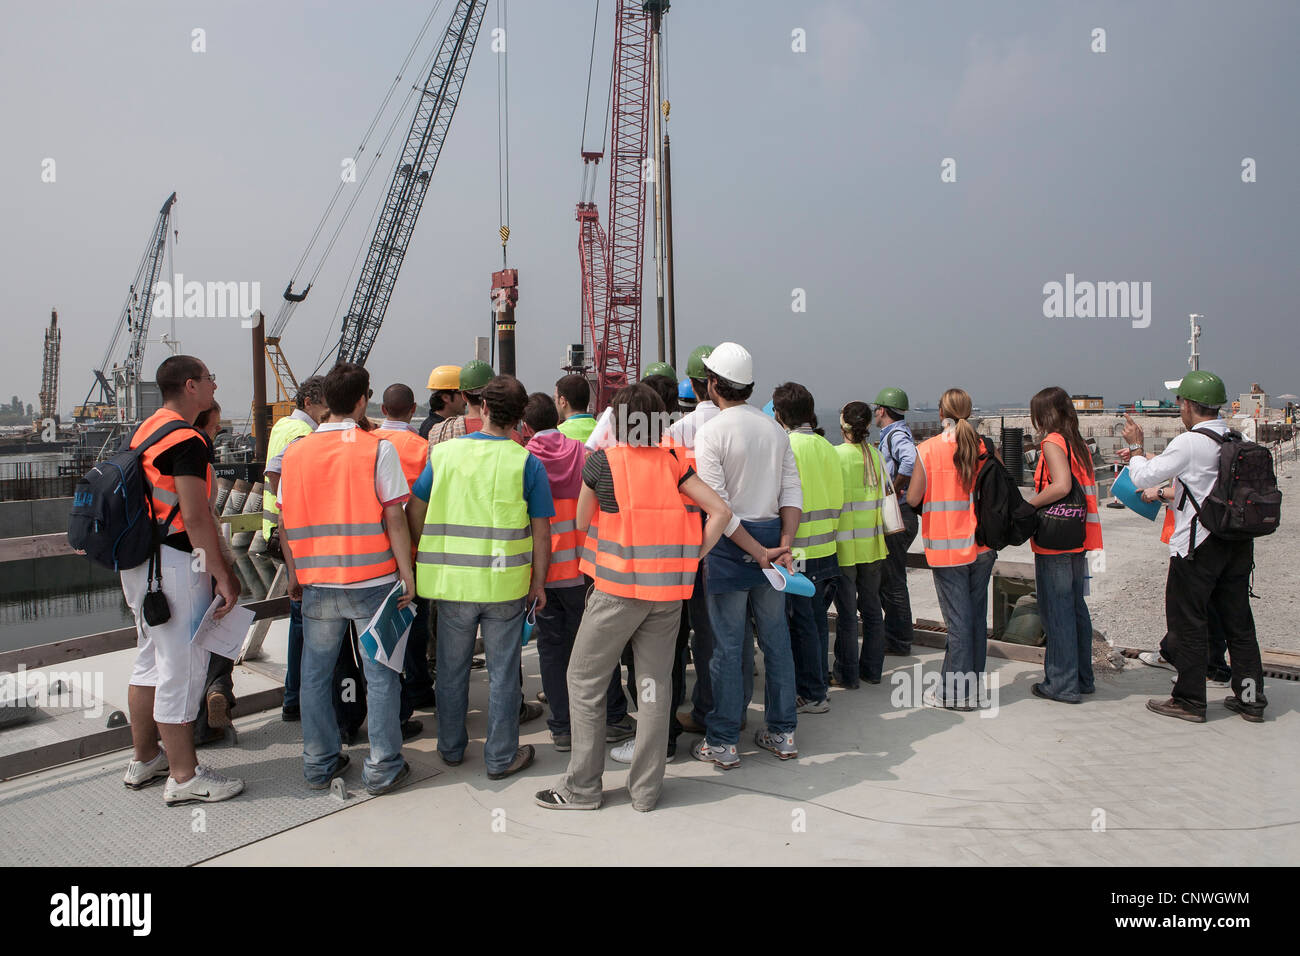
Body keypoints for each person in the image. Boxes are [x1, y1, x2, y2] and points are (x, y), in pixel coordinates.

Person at [535, 384, 734, 811]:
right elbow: (721, 512)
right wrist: (693, 554)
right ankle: (645, 791)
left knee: (585, 681)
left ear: (618, 421)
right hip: (668, 598)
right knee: (654, 689)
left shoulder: (602, 463)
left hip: (616, 592)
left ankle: (582, 789)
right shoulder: (674, 464)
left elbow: (581, 520)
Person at [279, 363, 416, 795]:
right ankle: (382, 766)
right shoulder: (377, 449)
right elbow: (394, 516)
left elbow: (284, 522)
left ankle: (319, 763)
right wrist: (407, 575)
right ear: (361, 401)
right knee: (380, 675)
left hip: (317, 582)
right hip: (373, 579)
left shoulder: (295, 453)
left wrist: (295, 573)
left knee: (315, 675)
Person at [407, 375, 552, 778]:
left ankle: (451, 748)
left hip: (452, 584)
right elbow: (542, 532)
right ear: (521, 417)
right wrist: (538, 582)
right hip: (505, 586)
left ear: (482, 408)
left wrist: (426, 546)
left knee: (452, 668)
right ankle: (501, 756)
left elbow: (414, 511)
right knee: (504, 671)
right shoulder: (527, 463)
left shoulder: (444, 454)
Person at [120, 355, 245, 805]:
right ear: (191, 385)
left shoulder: (147, 428)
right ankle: (185, 777)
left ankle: (145, 759)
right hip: (174, 564)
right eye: (210, 378)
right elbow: (194, 516)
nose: (214, 385)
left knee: (150, 660)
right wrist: (223, 575)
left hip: (139, 564)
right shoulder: (187, 439)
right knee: (183, 667)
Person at [1119, 370, 1268, 723]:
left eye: (1179, 403)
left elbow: (1142, 477)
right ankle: (1250, 699)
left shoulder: (1190, 442)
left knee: (1188, 622)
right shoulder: (1238, 436)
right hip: (1237, 542)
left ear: (1188, 405)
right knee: (1239, 624)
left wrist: (1138, 447)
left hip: (1198, 544)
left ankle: (1189, 700)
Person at [690, 342, 800, 768]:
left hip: (731, 546)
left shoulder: (712, 432)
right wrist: (783, 545)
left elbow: (719, 509)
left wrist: (758, 552)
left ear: (714, 384)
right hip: (773, 539)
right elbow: (792, 491)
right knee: (776, 641)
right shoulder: (774, 429)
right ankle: (782, 732)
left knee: (726, 646)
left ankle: (722, 740)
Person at [523, 393, 632, 750]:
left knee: (552, 650)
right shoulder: (582, 453)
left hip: (544, 573)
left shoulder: (525, 460)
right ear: (557, 417)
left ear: (525, 426)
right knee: (601, 645)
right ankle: (614, 716)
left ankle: (563, 728)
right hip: (587, 567)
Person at [905, 388, 995, 710]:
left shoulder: (927, 450)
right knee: (974, 621)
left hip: (948, 549)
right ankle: (972, 688)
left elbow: (914, 498)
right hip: (982, 546)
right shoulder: (984, 446)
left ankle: (954, 694)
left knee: (958, 624)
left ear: (941, 412)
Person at [1021, 386, 1103, 704]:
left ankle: (1061, 684)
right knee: (1075, 608)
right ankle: (1082, 678)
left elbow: (1061, 485)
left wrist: (1029, 505)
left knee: (1057, 612)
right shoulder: (1077, 443)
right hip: (1078, 535)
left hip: (1056, 539)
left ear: (1044, 414)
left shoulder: (1053, 441)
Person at [772, 383, 844, 715]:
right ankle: (819, 687)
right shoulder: (829, 447)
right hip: (828, 549)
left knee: (800, 625)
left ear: (780, 414)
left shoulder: (786, 447)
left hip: (798, 553)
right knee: (815, 623)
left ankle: (813, 693)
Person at [261, 375, 327, 722]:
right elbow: (278, 477)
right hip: (293, 534)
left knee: (300, 617)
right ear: (309, 402)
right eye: (324, 404)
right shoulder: (300, 433)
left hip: (281, 530)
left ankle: (295, 697)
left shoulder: (284, 425)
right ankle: (296, 699)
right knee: (303, 619)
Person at [665, 346, 723, 736]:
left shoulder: (676, 432)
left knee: (674, 632)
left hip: (683, 545)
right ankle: (715, 709)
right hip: (728, 541)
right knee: (717, 634)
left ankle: (688, 703)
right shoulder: (739, 424)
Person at [373, 384, 436, 727]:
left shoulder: (372, 444)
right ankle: (419, 687)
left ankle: (392, 698)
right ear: (413, 409)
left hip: (375, 552)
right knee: (415, 626)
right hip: (413, 551)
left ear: (382, 409)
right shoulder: (422, 447)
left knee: (383, 633)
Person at [1136, 484, 1232, 687]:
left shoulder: (1200, 452)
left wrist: (1159, 492)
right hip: (1203, 533)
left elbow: (1201, 486)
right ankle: (1172, 653)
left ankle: (1212, 669)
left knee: (1194, 607)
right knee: (1202, 605)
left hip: (1198, 538)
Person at [192, 400, 240, 746]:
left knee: (179, 649)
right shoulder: (199, 465)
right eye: (213, 428)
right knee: (219, 630)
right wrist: (224, 570)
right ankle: (218, 690)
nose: (214, 435)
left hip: (161, 564)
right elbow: (204, 519)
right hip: (199, 563)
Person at [831, 402, 889, 686]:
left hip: (844, 546)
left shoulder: (835, 456)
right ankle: (872, 670)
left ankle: (847, 673)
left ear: (843, 426)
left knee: (847, 614)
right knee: (872, 610)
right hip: (873, 544)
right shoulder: (876, 456)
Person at [874, 388, 918, 656]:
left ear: (882, 410)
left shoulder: (895, 434)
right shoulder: (898, 433)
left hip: (898, 514)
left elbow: (910, 460)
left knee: (892, 581)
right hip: (905, 515)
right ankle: (898, 636)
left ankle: (899, 640)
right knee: (891, 579)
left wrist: (894, 489)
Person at [427, 359, 496, 446]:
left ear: (464, 395)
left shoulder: (438, 432)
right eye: (459, 393)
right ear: (445, 397)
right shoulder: (506, 433)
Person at [418, 365, 466, 439]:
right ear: (445, 397)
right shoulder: (435, 429)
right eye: (462, 393)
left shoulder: (431, 425)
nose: (465, 398)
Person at [555, 373, 597, 443]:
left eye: (555, 398)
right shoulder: (605, 432)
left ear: (563, 402)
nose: (555, 402)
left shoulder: (556, 435)